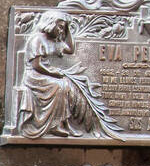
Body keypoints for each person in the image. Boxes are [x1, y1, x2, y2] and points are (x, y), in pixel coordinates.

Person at [17, 11, 119, 140]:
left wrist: (68, 29)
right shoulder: (37, 39)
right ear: (50, 24)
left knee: (65, 86)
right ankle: (53, 125)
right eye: (59, 26)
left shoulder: (54, 41)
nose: (61, 30)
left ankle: (61, 123)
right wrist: (53, 73)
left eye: (62, 27)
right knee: (59, 86)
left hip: (47, 73)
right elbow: (36, 65)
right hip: (35, 76)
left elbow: (70, 49)